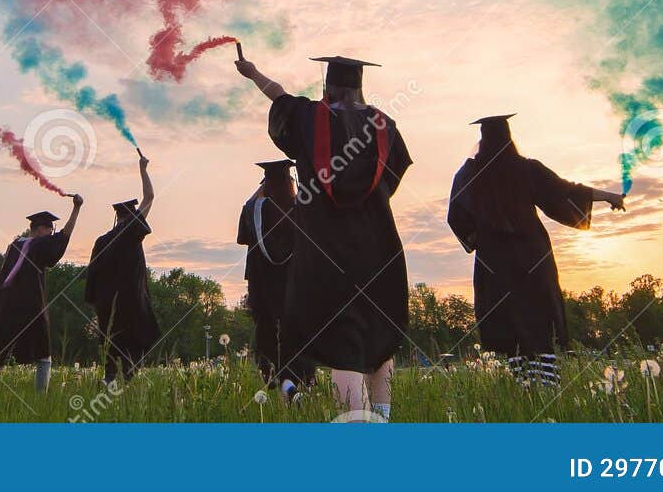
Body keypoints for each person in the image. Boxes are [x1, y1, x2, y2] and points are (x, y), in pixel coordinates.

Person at [235, 50, 413, 422]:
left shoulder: (308, 118)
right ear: (359, 85)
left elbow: (279, 95)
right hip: (379, 246)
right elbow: (392, 177)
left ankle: (355, 426)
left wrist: (252, 73)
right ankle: (381, 422)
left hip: (326, 250)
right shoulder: (385, 125)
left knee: (340, 343)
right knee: (377, 340)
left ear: (327, 85)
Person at [446, 114, 625, 388]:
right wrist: (609, 196)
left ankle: (524, 390)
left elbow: (456, 216)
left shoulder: (469, 174)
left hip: (494, 263)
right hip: (533, 258)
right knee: (540, 321)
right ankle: (548, 391)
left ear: (482, 141)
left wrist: (477, 237)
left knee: (509, 326)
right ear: (509, 140)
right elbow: (565, 191)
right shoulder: (526, 169)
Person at [0, 193, 84, 398]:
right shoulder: (37, 245)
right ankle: (40, 399)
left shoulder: (15, 245)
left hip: (5, 311)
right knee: (44, 358)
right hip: (31, 310)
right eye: (49, 229)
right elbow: (63, 237)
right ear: (40, 229)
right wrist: (76, 208)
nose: (51, 232)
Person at [236, 158, 315, 399]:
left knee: (267, 328)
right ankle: (301, 380)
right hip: (294, 281)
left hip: (263, 284)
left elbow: (242, 237)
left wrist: (261, 189)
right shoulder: (300, 206)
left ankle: (273, 376)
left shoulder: (254, 209)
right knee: (298, 328)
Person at [84, 149, 162, 383]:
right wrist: (143, 170)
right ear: (131, 216)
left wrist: (95, 305)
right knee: (135, 343)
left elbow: (92, 278)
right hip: (129, 303)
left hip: (106, 307)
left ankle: (109, 383)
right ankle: (126, 385)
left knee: (111, 347)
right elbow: (149, 197)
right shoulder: (130, 231)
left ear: (117, 216)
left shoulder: (102, 240)